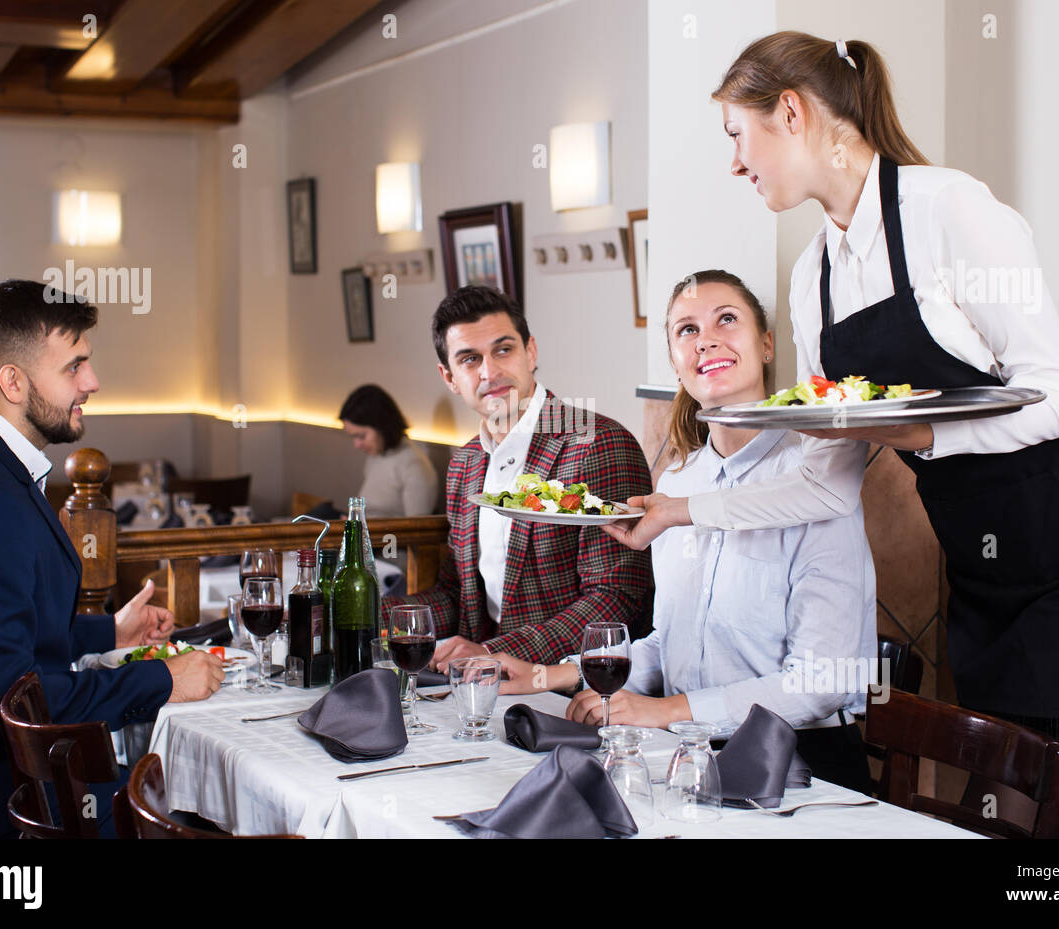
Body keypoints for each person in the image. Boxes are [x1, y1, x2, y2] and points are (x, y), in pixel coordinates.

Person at [604, 32, 1059, 833]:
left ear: (791, 113)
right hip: (984, 565)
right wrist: (677, 511)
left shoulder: (952, 209)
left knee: (1007, 807)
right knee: (997, 803)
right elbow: (819, 481)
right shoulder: (813, 276)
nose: (735, 164)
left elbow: (1058, 400)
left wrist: (920, 437)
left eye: (738, 137)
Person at [499, 271, 876, 791]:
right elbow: (670, 644)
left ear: (766, 345)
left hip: (799, 766)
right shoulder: (677, 483)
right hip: (681, 753)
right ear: (677, 363)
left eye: (727, 320)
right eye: (687, 330)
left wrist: (663, 711)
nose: (707, 340)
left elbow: (820, 685)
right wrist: (551, 674)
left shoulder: (814, 477)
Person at [0, 279, 225, 839]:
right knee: (190, 811)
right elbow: (5, 700)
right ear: (12, 381)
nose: (92, 382)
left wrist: (105, 633)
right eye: (75, 367)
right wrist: (161, 680)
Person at [385, 285, 653, 670]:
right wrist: (370, 616)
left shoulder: (597, 443)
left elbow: (614, 598)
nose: (490, 372)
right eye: (470, 359)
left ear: (531, 351)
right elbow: (458, 595)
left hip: (573, 684)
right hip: (479, 680)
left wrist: (495, 653)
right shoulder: (465, 462)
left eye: (503, 350)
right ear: (449, 376)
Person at [339, 384, 439, 517]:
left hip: (385, 537)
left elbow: (416, 530)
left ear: (382, 426)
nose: (356, 445)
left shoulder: (414, 465)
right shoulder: (377, 454)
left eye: (361, 436)